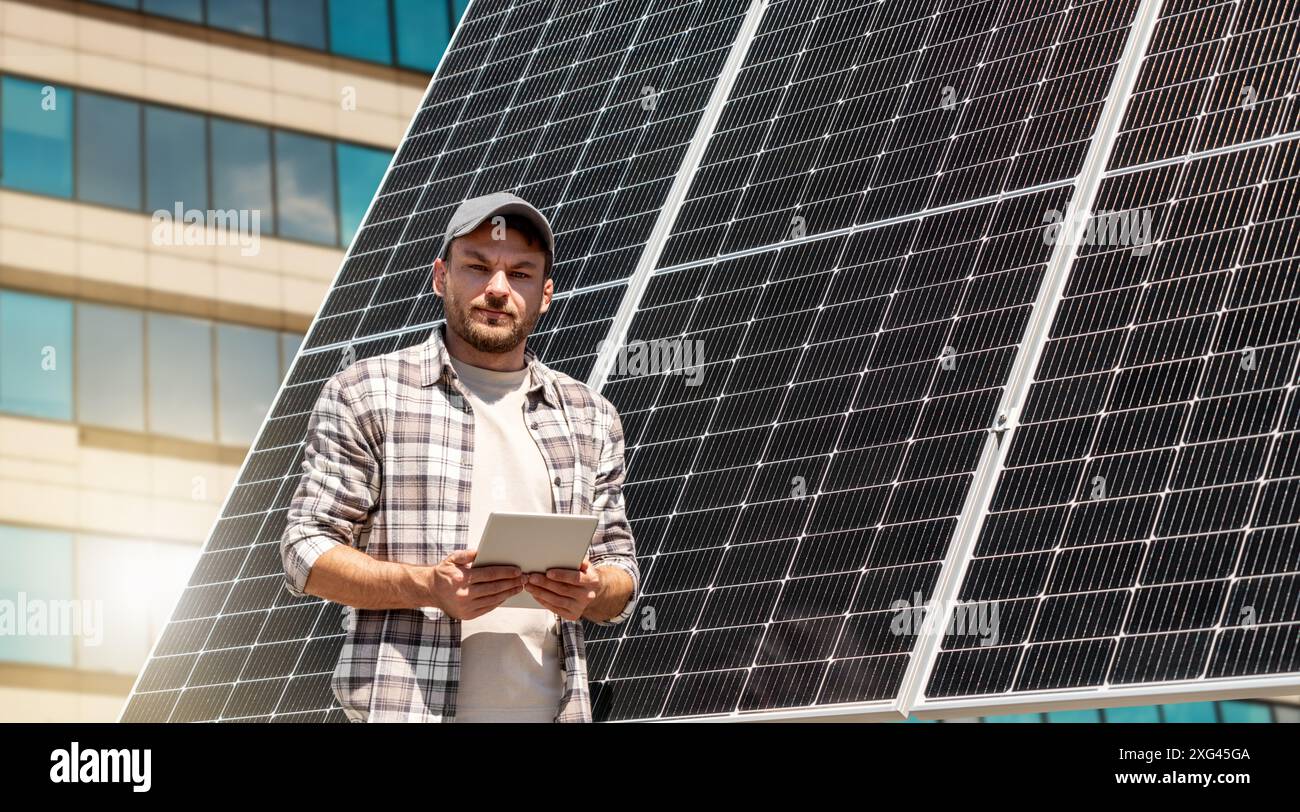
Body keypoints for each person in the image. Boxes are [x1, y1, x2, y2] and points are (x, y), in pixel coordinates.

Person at [279, 191, 639, 722]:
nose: (498, 290)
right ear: (440, 276)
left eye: (520, 274)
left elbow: (621, 574)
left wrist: (589, 590)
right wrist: (426, 586)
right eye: (478, 267)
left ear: (544, 294)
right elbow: (305, 550)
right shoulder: (367, 393)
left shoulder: (590, 417)